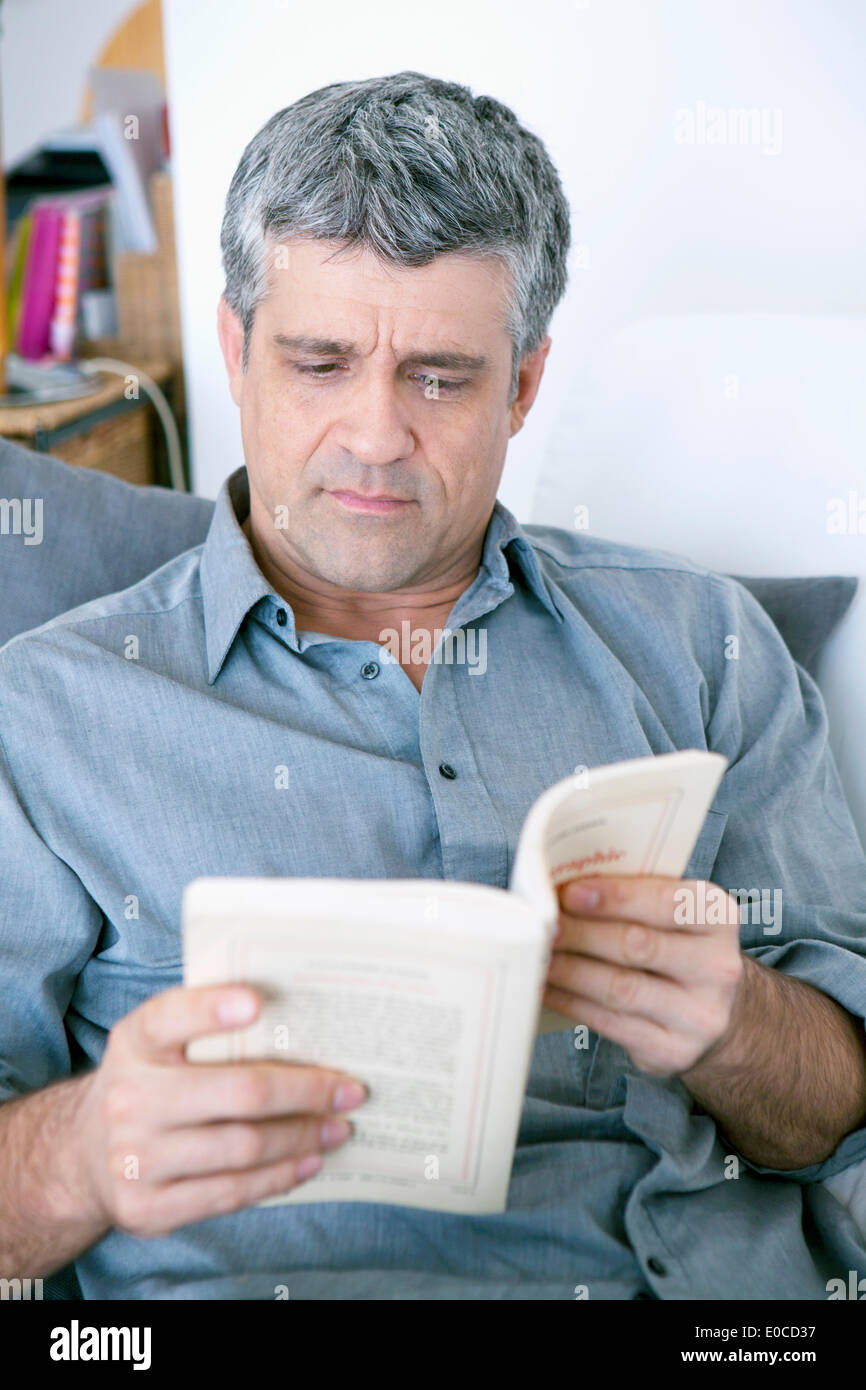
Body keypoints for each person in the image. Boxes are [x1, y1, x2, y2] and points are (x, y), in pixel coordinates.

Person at [0, 70, 864, 1301]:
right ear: (235, 352)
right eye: (320, 361)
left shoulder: (699, 642)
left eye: (440, 377)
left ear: (521, 384)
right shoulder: (42, 713)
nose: (373, 435)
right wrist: (80, 1155)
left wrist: (737, 1024)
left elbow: (835, 1112)